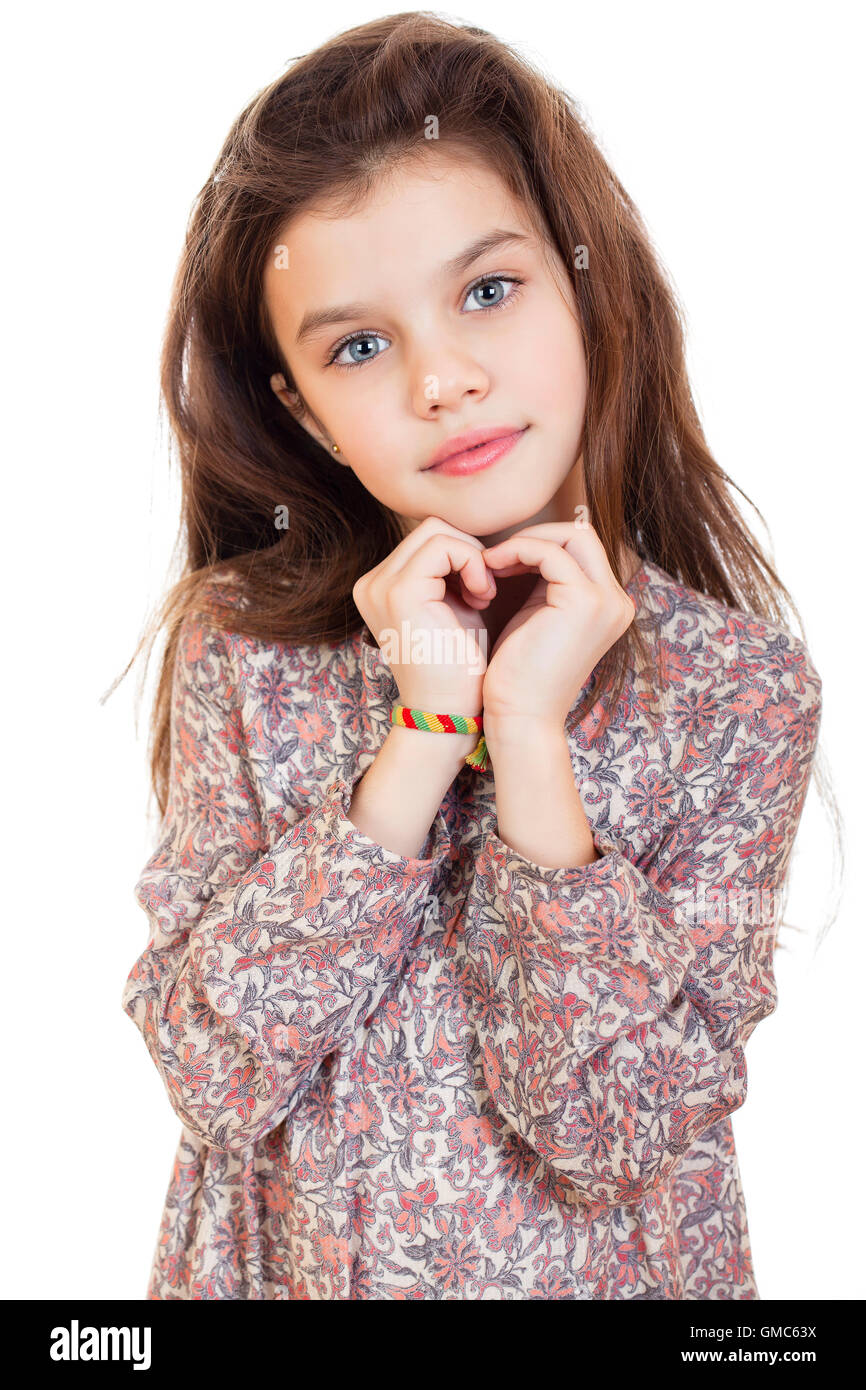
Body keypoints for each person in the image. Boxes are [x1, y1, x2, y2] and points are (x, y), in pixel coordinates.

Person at [119, 13, 835, 1300]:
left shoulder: (735, 691)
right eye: (357, 345)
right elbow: (214, 1071)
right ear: (305, 412)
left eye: (487, 291)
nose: (440, 378)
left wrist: (529, 736)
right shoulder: (246, 648)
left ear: (585, 285)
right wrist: (425, 733)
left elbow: (617, 1126)